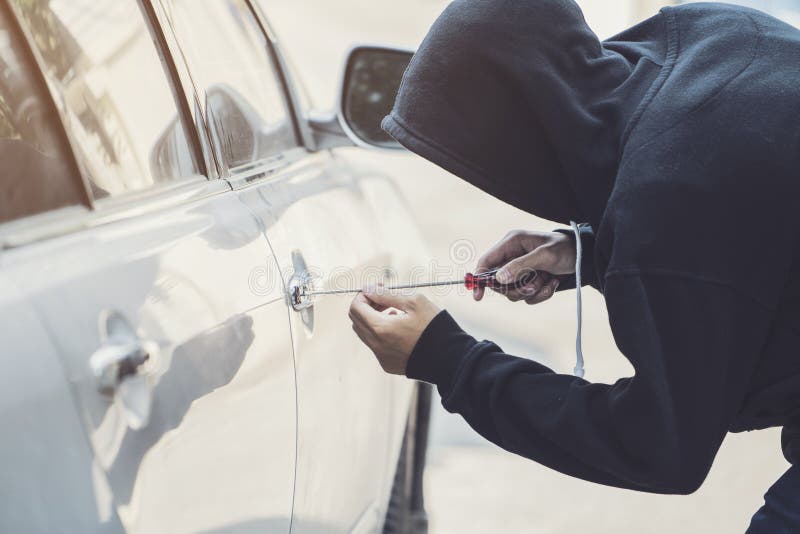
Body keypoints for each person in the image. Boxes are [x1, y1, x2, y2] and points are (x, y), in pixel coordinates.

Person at [347, 1, 800, 531]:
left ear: (523, 133)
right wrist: (590, 248)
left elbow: (660, 445)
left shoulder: (666, 204)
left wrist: (448, 360)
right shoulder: (715, 30)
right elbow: (749, 210)